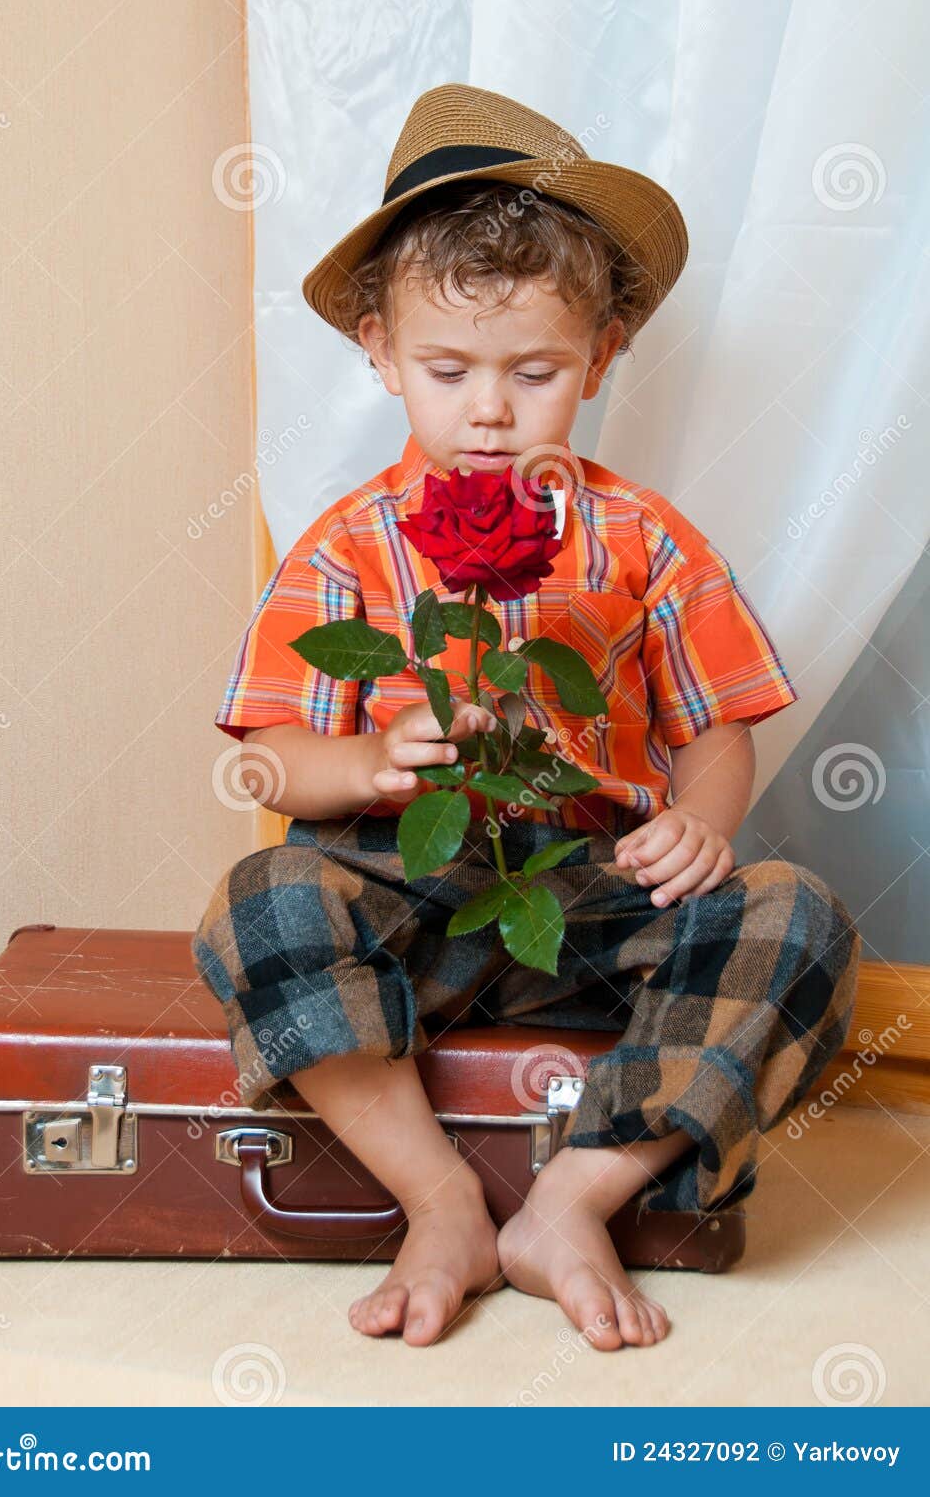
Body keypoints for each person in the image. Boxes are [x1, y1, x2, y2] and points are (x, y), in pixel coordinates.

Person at [193, 83, 861, 1352]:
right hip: (407, 891)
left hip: (586, 890)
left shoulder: (642, 537)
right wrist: (370, 762)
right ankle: (435, 1193)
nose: (488, 410)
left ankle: (572, 1194)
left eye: (534, 370)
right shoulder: (345, 551)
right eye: (447, 371)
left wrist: (704, 827)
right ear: (382, 356)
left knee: (799, 916)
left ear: (602, 356)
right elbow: (273, 758)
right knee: (263, 895)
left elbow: (717, 725)